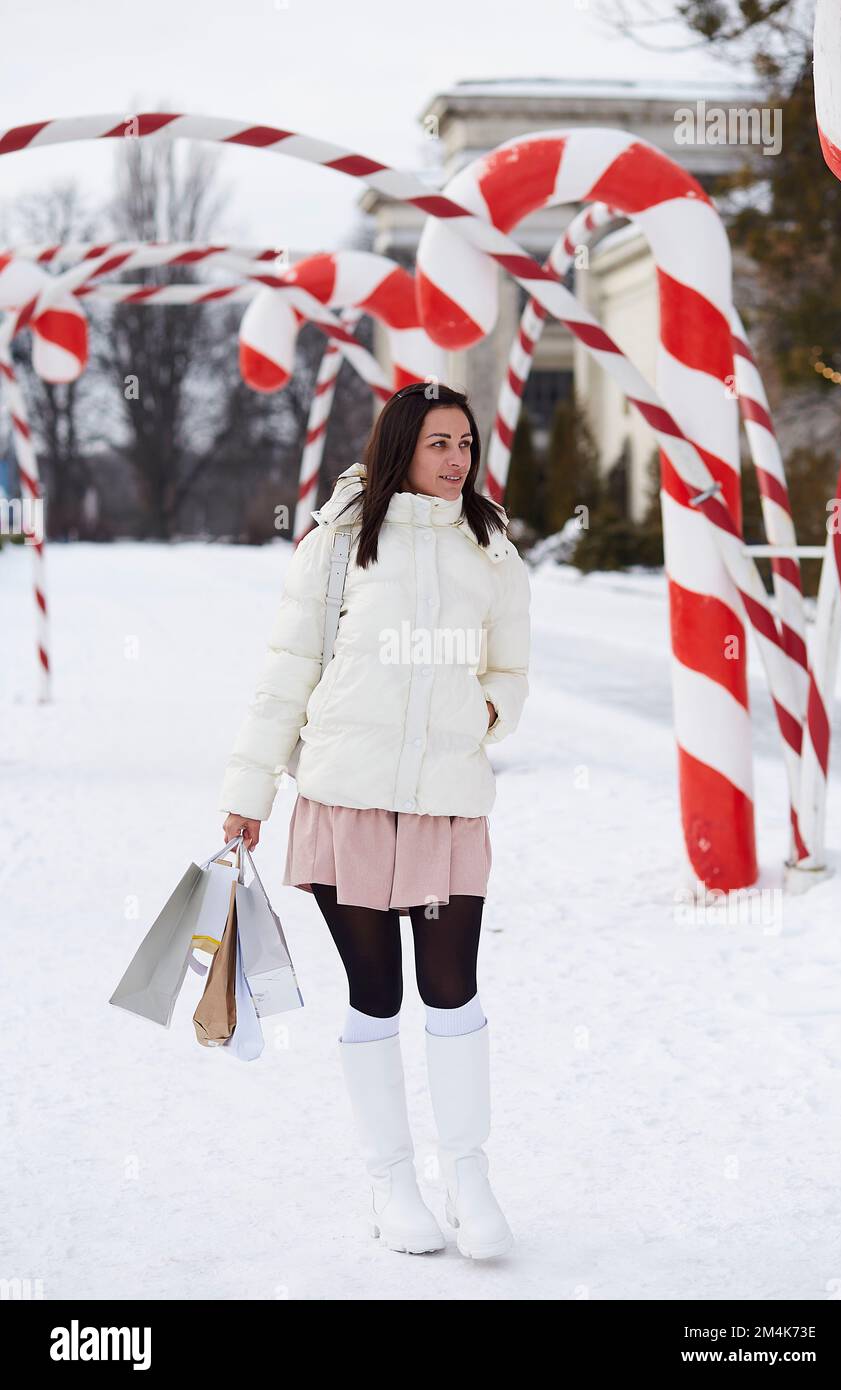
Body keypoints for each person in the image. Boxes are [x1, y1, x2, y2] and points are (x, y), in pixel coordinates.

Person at [218, 382, 531, 1259]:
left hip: (446, 811)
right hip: (346, 802)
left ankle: (467, 1173)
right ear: (401, 446)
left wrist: (479, 722)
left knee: (452, 984)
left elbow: (511, 671)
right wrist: (250, 792)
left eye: (464, 444)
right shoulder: (337, 542)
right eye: (438, 443)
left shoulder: (492, 546)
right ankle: (391, 1183)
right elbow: (288, 670)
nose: (457, 459)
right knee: (376, 990)